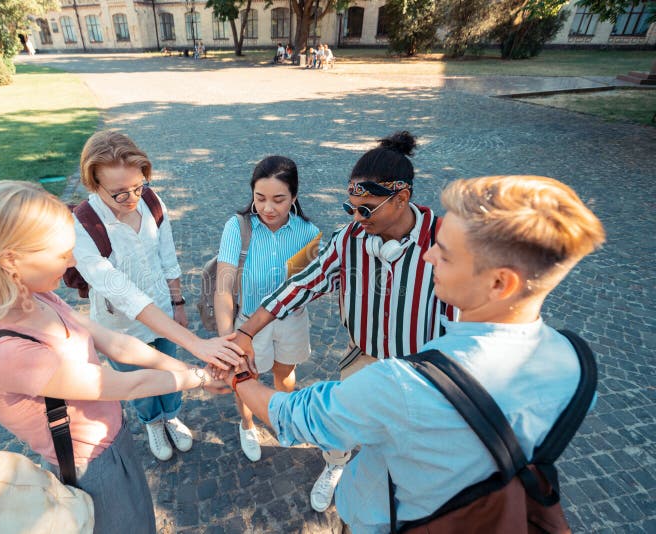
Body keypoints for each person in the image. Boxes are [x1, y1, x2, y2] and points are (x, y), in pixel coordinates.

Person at [227, 174, 606, 532]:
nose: (428, 258)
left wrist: (240, 376)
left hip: (386, 518)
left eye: (446, 253)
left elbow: (297, 416)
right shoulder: (577, 362)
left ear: (499, 282)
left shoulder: (405, 385)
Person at [0, 181, 230, 533]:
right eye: (60, 254)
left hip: (112, 439)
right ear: (11, 261)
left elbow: (116, 343)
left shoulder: (34, 297)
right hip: (89, 467)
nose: (71, 262)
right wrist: (203, 378)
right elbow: (123, 384)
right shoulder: (3, 350)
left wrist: (189, 365)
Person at [233, 131, 456, 512]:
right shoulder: (350, 238)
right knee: (342, 429)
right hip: (364, 360)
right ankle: (336, 465)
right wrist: (245, 332)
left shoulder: (445, 240)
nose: (356, 217)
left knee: (408, 446)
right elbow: (301, 284)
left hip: (423, 372)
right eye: (350, 207)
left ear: (401, 198)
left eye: (366, 209)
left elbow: (465, 316)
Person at [71, 131, 243, 461]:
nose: (133, 198)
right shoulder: (83, 226)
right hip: (119, 326)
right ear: (94, 183)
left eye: (139, 186)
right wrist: (196, 342)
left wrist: (177, 302)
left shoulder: (151, 202)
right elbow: (122, 292)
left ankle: (172, 414)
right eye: (120, 194)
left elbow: (167, 256)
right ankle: (152, 421)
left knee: (170, 367)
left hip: (164, 310)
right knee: (138, 380)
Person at [214, 156, 321, 462]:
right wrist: (227, 338)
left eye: (279, 199)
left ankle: (282, 419)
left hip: (292, 321)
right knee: (246, 376)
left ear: (294, 198)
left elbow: (308, 286)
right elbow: (223, 285)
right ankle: (247, 425)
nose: (268, 208)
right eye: (260, 198)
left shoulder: (307, 232)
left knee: (285, 372)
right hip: (247, 322)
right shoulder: (238, 227)